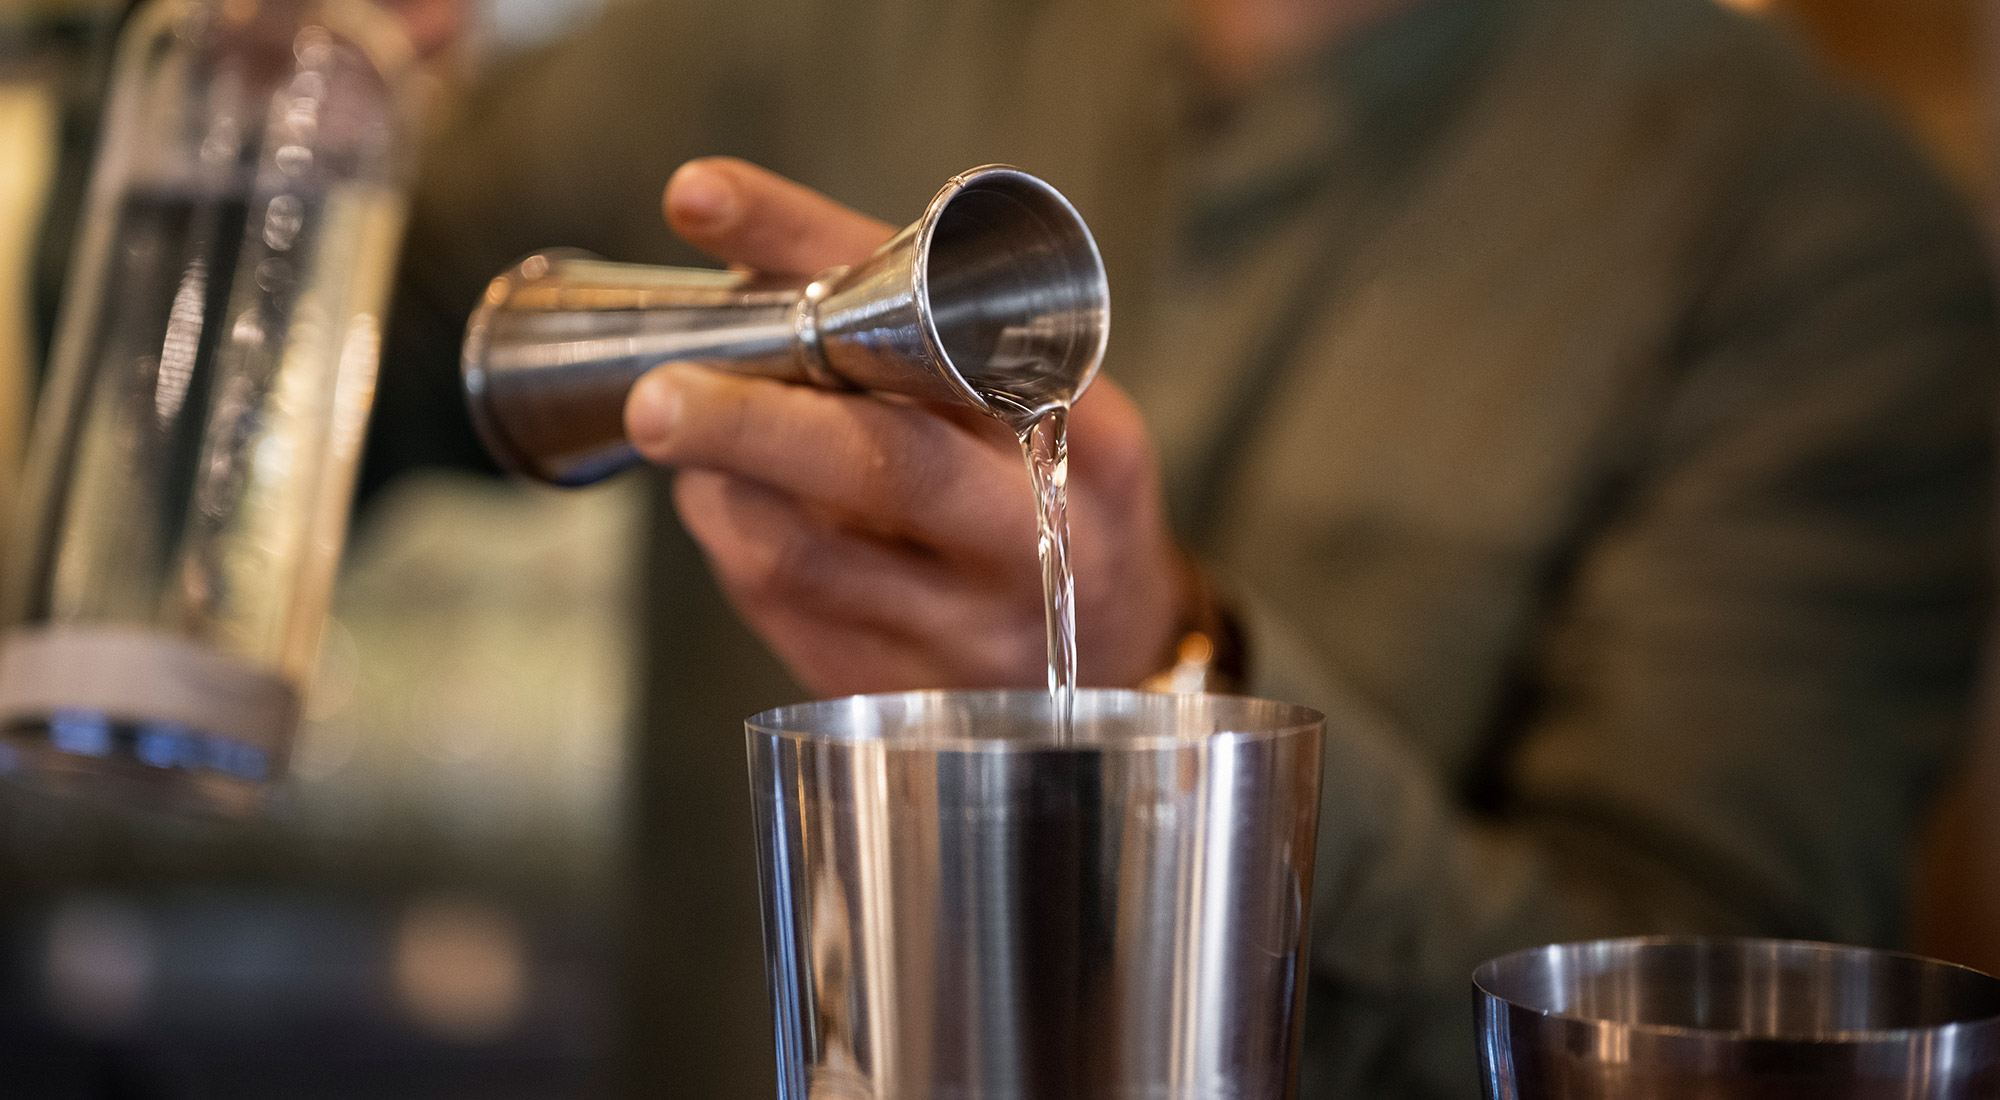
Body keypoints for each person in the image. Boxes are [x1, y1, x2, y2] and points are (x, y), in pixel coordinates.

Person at [368, 0, 1998, 1095]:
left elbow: (1709, 1037)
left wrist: (1172, 666)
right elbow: (375, 331)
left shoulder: (1818, 236)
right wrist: (268, 116)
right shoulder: (785, 34)